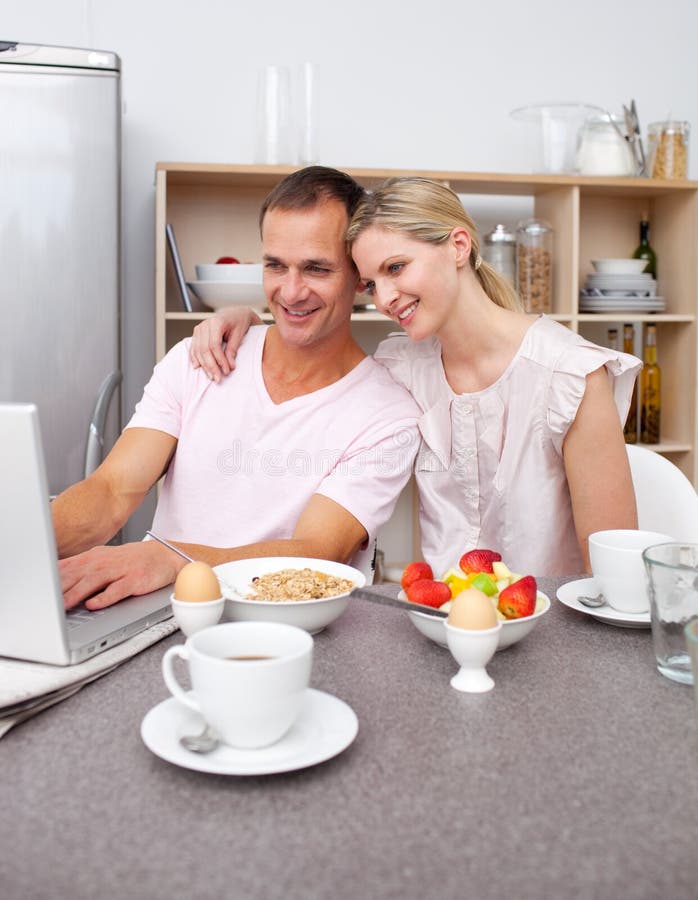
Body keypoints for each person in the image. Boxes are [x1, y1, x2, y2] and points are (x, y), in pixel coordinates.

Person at [191, 176, 641, 577]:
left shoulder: (570, 377)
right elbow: (321, 357)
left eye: (396, 268)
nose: (385, 297)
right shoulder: (403, 368)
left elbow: (612, 577)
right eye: (370, 283)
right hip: (440, 629)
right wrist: (246, 320)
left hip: (547, 639)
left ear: (459, 246)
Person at [53, 166, 419, 610]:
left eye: (316, 269)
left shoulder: (387, 414)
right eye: (275, 265)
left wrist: (173, 559)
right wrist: (22, 549)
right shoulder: (200, 359)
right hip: (160, 618)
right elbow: (111, 492)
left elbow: (318, 552)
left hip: (293, 631)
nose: (291, 291)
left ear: (360, 276)